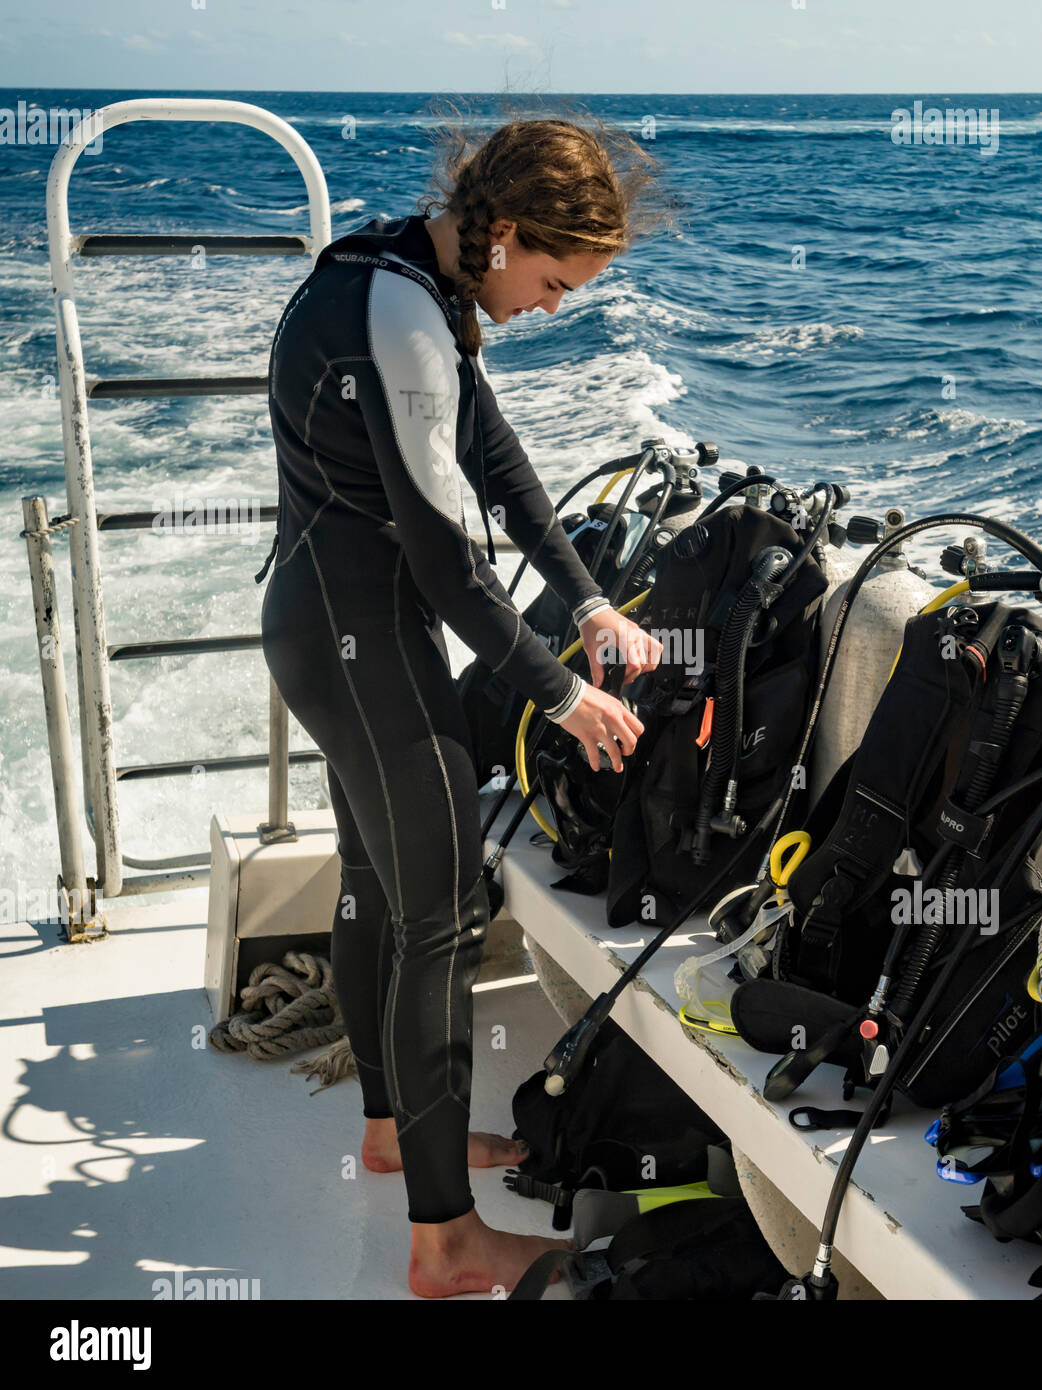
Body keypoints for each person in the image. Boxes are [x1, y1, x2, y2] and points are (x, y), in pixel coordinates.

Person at [258, 116, 664, 1296]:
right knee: (439, 910)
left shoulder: (397, 275)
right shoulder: (400, 315)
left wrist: (585, 602)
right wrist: (563, 696)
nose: (548, 305)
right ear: (498, 232)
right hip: (365, 636)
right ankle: (446, 1241)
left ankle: (391, 1133)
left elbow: (498, 459)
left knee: (380, 885)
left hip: (322, 623)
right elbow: (446, 562)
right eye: (549, 279)